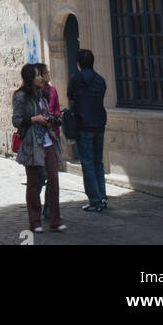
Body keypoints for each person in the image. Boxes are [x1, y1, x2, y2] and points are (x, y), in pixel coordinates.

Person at [12, 63, 66, 233]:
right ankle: (34, 221)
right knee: (34, 183)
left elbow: (47, 112)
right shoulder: (21, 96)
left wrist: (51, 119)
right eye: (37, 75)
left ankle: (55, 219)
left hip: (48, 140)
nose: (41, 78)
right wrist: (35, 119)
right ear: (30, 78)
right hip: (32, 142)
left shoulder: (42, 94)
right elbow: (17, 120)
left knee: (54, 179)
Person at [66, 47, 108, 212]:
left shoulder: (76, 79)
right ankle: (102, 196)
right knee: (98, 161)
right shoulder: (100, 80)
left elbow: (71, 98)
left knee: (88, 163)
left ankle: (95, 200)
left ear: (78, 64)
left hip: (84, 125)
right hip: (99, 123)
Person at [34, 62, 61, 221]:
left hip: (52, 137)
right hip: (39, 138)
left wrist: (55, 119)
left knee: (52, 175)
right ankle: (36, 207)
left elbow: (55, 110)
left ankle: (49, 209)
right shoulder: (35, 94)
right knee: (40, 176)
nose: (48, 75)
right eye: (45, 73)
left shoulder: (52, 91)